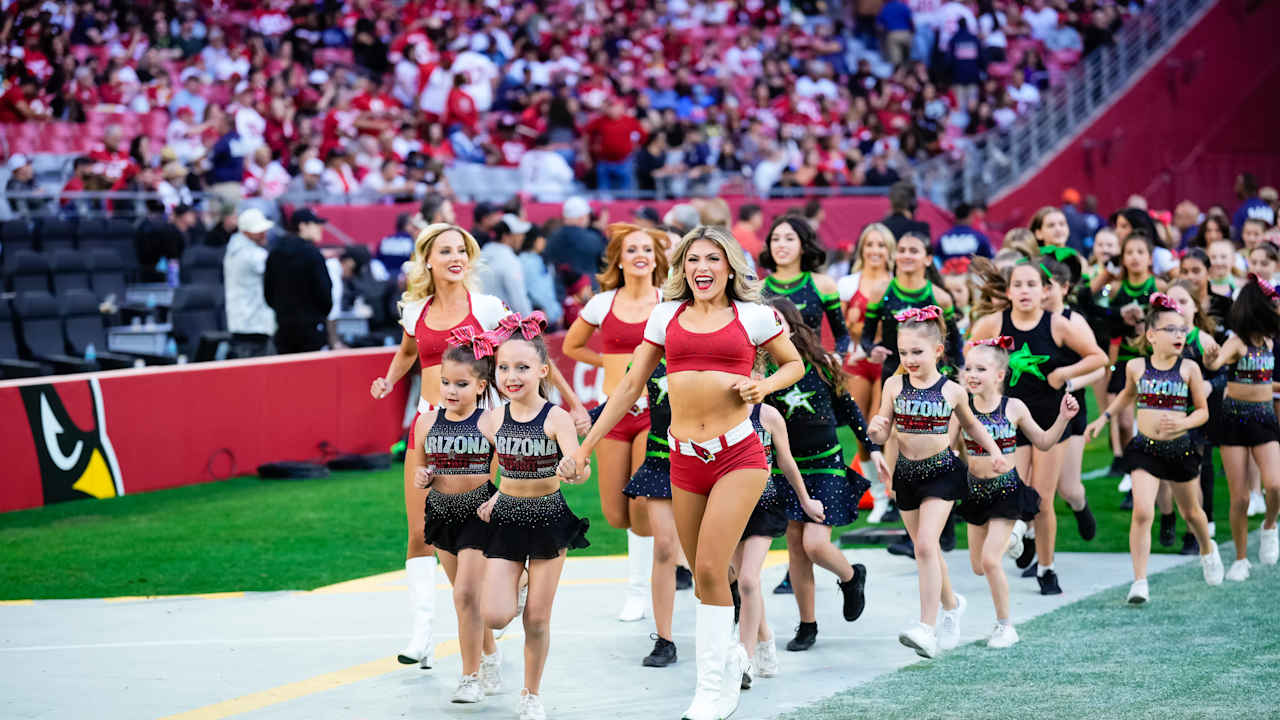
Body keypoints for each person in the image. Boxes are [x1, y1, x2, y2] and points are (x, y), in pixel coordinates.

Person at [565, 225, 804, 720]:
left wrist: (766, 387)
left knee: (714, 569)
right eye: (693, 260)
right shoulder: (665, 315)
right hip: (683, 457)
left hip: (739, 455)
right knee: (702, 576)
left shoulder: (754, 316)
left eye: (713, 259)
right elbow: (630, 386)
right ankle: (737, 651)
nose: (702, 268)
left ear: (730, 267)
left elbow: (794, 364)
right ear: (681, 269)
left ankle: (711, 690)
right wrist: (584, 447)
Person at [369, 222, 589, 671]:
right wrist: (389, 380)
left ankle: (499, 608)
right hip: (429, 425)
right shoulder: (415, 310)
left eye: (462, 251)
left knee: (478, 531)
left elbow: (533, 350)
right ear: (427, 259)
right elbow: (410, 352)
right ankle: (422, 633)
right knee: (419, 532)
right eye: (446, 250)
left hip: (481, 428)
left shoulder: (486, 308)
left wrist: (570, 401)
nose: (456, 258)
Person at [867, 307, 1006, 658]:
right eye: (903, 353)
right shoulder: (894, 384)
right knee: (924, 550)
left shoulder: (952, 390)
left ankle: (925, 627)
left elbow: (973, 426)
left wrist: (994, 452)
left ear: (938, 351)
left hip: (942, 472)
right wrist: (877, 431)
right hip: (907, 476)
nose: (909, 359)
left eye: (917, 352)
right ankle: (951, 604)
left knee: (927, 545)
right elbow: (884, 421)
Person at [969, 259, 1107, 594]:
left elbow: (1099, 357)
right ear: (1008, 291)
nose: (1025, 291)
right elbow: (969, 358)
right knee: (1012, 489)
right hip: (1008, 419)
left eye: (1032, 284)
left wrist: (1064, 375)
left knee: (1043, 498)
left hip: (1049, 418)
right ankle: (1018, 540)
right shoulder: (992, 324)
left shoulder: (1058, 325)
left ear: (1045, 290)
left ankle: (1047, 568)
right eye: (1018, 284)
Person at [479, 313, 591, 720]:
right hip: (507, 516)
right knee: (493, 616)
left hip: (548, 517)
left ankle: (531, 693)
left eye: (523, 368)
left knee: (537, 618)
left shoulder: (556, 418)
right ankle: (520, 579)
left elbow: (581, 466)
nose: (512, 376)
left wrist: (574, 468)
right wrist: (492, 497)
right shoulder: (491, 419)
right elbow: (493, 467)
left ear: (543, 371)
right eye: (504, 367)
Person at [563, 223, 674, 632]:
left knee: (642, 506)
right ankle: (668, 552)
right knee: (615, 513)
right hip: (612, 413)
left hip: (655, 413)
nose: (641, 255)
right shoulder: (601, 303)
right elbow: (573, 347)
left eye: (648, 248)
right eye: (632, 250)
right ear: (619, 259)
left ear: (657, 258)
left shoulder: (669, 301)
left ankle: (638, 591)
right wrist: (611, 366)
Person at [1086, 293, 1224, 601]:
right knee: (1142, 511)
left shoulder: (1190, 369)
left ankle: (1207, 548)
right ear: (1151, 335)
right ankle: (1139, 581)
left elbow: (1203, 411)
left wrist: (1185, 424)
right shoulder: (1136, 366)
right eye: (1170, 330)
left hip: (1179, 449)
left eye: (1181, 330)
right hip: (1144, 450)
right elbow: (1125, 396)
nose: (1179, 335)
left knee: (1192, 512)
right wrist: (1104, 418)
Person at [762, 298, 876, 653]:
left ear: (792, 325)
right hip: (789, 469)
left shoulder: (823, 364)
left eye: (777, 320)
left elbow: (850, 410)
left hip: (826, 465)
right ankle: (807, 624)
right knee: (795, 548)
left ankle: (851, 575)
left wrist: (871, 450)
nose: (771, 328)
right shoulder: (762, 371)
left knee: (814, 543)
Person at [960, 337, 1076, 646]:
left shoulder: (1013, 407)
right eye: (968, 367)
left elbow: (1044, 442)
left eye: (980, 369)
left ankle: (1005, 626)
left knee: (990, 560)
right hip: (975, 493)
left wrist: (1063, 418)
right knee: (976, 566)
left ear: (999, 375)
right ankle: (1014, 537)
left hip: (1006, 492)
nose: (971, 374)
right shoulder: (962, 408)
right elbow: (948, 448)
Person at [409, 338, 503, 703]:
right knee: (466, 599)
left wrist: (497, 498)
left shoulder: (490, 421)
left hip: (479, 512)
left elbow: (510, 469)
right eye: (446, 382)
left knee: (466, 594)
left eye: (461, 384)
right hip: (442, 514)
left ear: (481, 387)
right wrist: (424, 477)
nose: (451, 390)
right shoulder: (426, 423)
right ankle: (491, 653)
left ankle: (470, 677)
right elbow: (424, 466)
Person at [1203, 275, 1280, 581]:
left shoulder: (1270, 343)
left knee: (1274, 485)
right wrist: (1211, 359)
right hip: (1234, 420)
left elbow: (1264, 382)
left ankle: (1269, 526)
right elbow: (1217, 361)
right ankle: (1240, 558)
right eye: (1272, 305)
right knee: (1241, 498)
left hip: (1264, 419)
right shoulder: (1236, 341)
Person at [736, 399, 814, 687]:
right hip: (730, 508)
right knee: (744, 584)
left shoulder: (767, 415)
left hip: (765, 506)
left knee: (747, 580)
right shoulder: (717, 412)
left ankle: (744, 659)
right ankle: (765, 638)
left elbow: (786, 461)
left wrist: (805, 500)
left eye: (750, 374)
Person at [860, 233, 960, 381]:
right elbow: (867, 336)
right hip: (892, 374)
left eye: (913, 251)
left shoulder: (940, 298)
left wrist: (952, 376)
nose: (906, 255)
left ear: (928, 259)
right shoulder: (880, 291)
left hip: (929, 378)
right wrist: (871, 349)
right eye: (901, 250)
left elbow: (953, 345)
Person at [759, 216, 851, 356]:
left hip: (813, 372)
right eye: (775, 239)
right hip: (772, 375)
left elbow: (842, 337)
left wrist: (837, 359)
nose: (781, 244)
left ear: (803, 246)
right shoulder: (757, 289)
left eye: (789, 239)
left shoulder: (823, 285)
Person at [264, 208, 334, 354]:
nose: (320, 229)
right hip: (312, 330)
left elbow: (268, 293)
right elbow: (324, 293)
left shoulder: (275, 252)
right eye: (315, 224)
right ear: (302, 226)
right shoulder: (313, 254)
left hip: (283, 328)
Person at [224, 208, 277, 358]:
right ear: (246, 233)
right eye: (259, 231)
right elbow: (277, 268)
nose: (264, 234)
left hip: (245, 323)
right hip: (252, 325)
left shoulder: (234, 248)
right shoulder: (251, 254)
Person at [475, 214, 534, 315]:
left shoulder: (482, 255)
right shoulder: (510, 261)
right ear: (506, 236)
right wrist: (533, 325)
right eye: (518, 234)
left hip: (481, 321)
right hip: (505, 324)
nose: (522, 237)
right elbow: (519, 300)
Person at [545, 197, 607, 283]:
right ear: (582, 218)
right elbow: (606, 264)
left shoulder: (553, 237)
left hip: (560, 291)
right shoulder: (593, 239)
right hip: (589, 289)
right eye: (588, 216)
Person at [1231, 172, 1277, 238]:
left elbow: (1237, 237)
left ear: (1243, 186)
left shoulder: (1242, 210)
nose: (1235, 187)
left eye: (1238, 183)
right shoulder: (1267, 207)